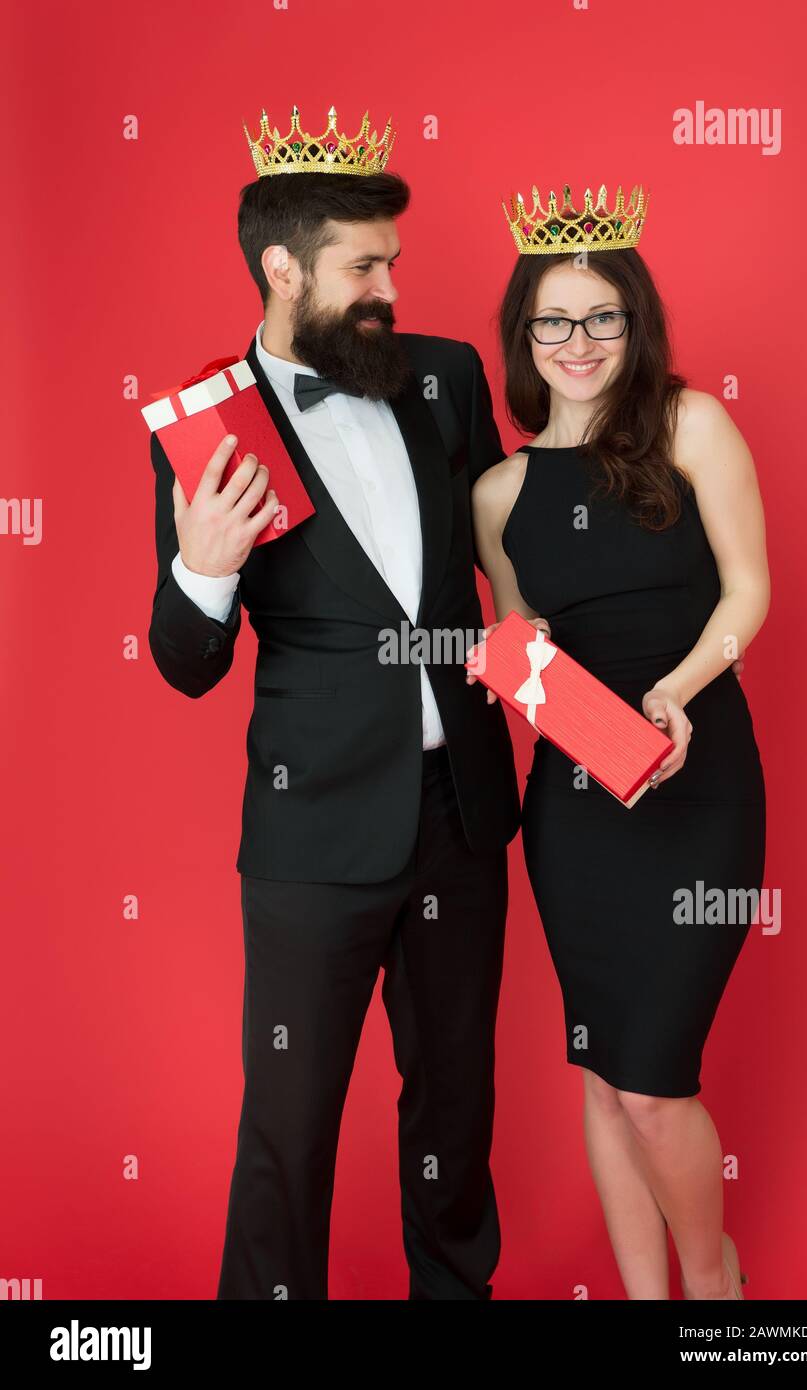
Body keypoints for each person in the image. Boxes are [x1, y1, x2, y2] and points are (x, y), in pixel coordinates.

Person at [147, 103, 520, 1299]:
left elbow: (497, 583)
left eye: (391, 266)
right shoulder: (211, 426)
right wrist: (201, 564)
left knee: (455, 1111)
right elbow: (186, 663)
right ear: (281, 265)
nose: (387, 291)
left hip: (460, 813)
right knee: (291, 1123)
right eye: (363, 267)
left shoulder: (448, 379)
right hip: (314, 832)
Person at [469, 183, 769, 1300]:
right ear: (523, 334)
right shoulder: (497, 495)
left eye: (603, 317)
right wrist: (514, 649)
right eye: (554, 319)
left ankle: (712, 1287)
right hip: (577, 807)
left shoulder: (691, 424)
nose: (578, 342)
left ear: (634, 325)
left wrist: (680, 690)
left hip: (702, 786)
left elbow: (749, 589)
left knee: (653, 1082)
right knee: (602, 1073)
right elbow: (520, 646)